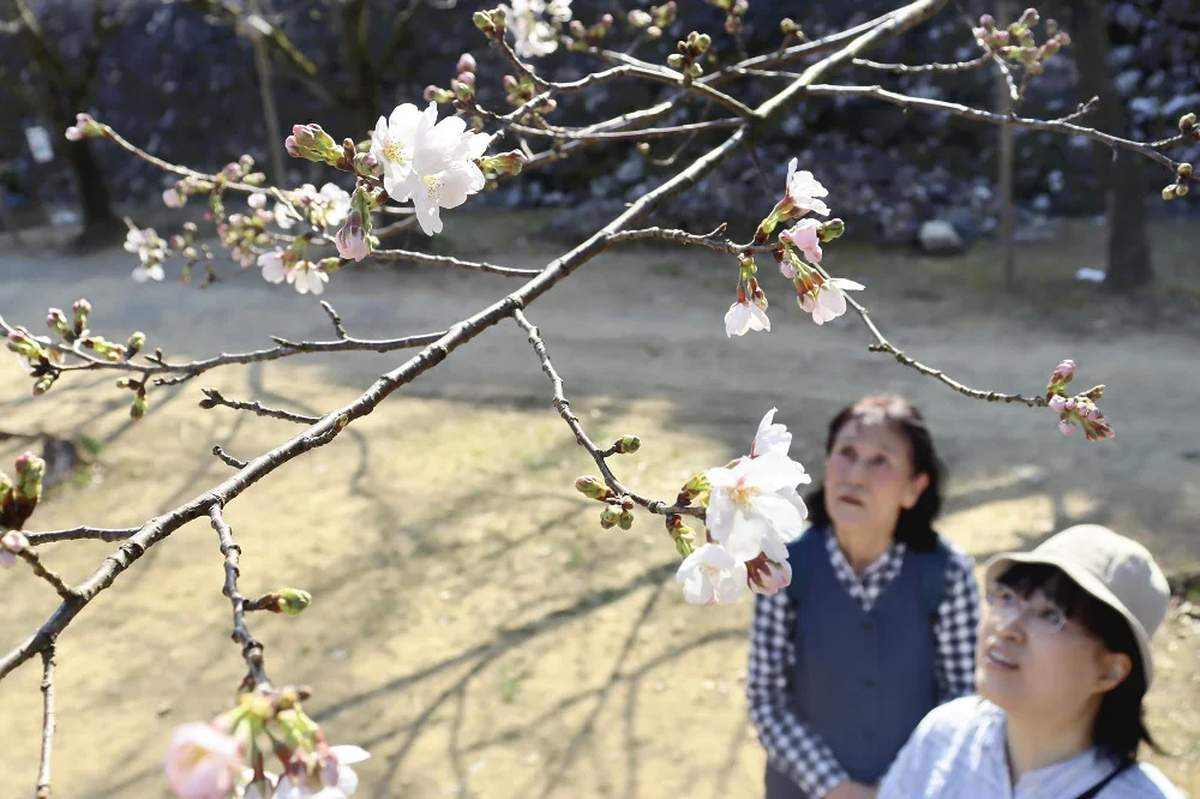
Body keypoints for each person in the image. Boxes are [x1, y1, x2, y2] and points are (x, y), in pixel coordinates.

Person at [746, 395, 981, 799]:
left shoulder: (947, 574)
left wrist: (904, 786)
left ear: (914, 488)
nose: (855, 475)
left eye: (880, 461)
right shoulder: (784, 566)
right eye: (846, 453)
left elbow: (962, 702)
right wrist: (834, 788)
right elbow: (767, 699)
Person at [878, 524, 1185, 798]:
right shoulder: (945, 737)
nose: (1008, 627)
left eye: (1050, 615)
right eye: (1008, 597)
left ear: (1110, 670)